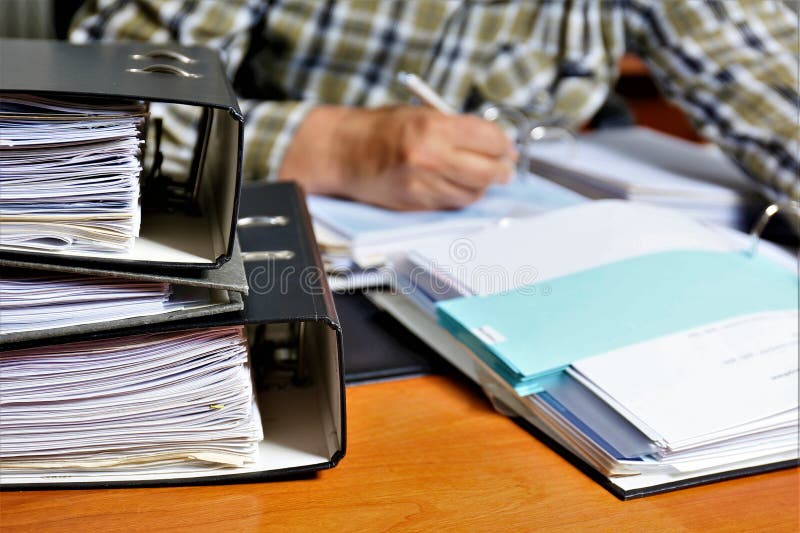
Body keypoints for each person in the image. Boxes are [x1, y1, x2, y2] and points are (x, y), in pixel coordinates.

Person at [70, 0, 799, 221]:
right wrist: (331, 147)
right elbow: (91, 101)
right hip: (270, 249)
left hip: (517, 268)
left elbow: (779, 87)